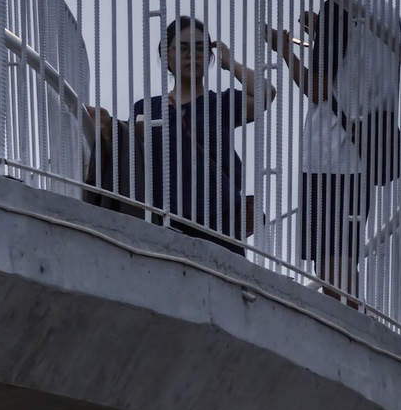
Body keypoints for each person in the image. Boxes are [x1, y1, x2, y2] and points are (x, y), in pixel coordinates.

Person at [264, 0, 401, 299]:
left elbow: (317, 89)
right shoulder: (386, 11)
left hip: (329, 152)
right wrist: (319, 32)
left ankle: (345, 324)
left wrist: (284, 50)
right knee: (347, 256)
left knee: (329, 262)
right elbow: (362, 69)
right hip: (369, 146)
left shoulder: (336, 9)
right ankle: (350, 318)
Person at [85, 17, 268, 247]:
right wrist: (109, 126)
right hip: (165, 221)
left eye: (201, 47)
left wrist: (229, 62)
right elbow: (131, 154)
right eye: (182, 47)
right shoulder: (147, 108)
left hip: (220, 222)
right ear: (167, 56)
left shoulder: (219, 104)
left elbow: (265, 95)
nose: (193, 54)